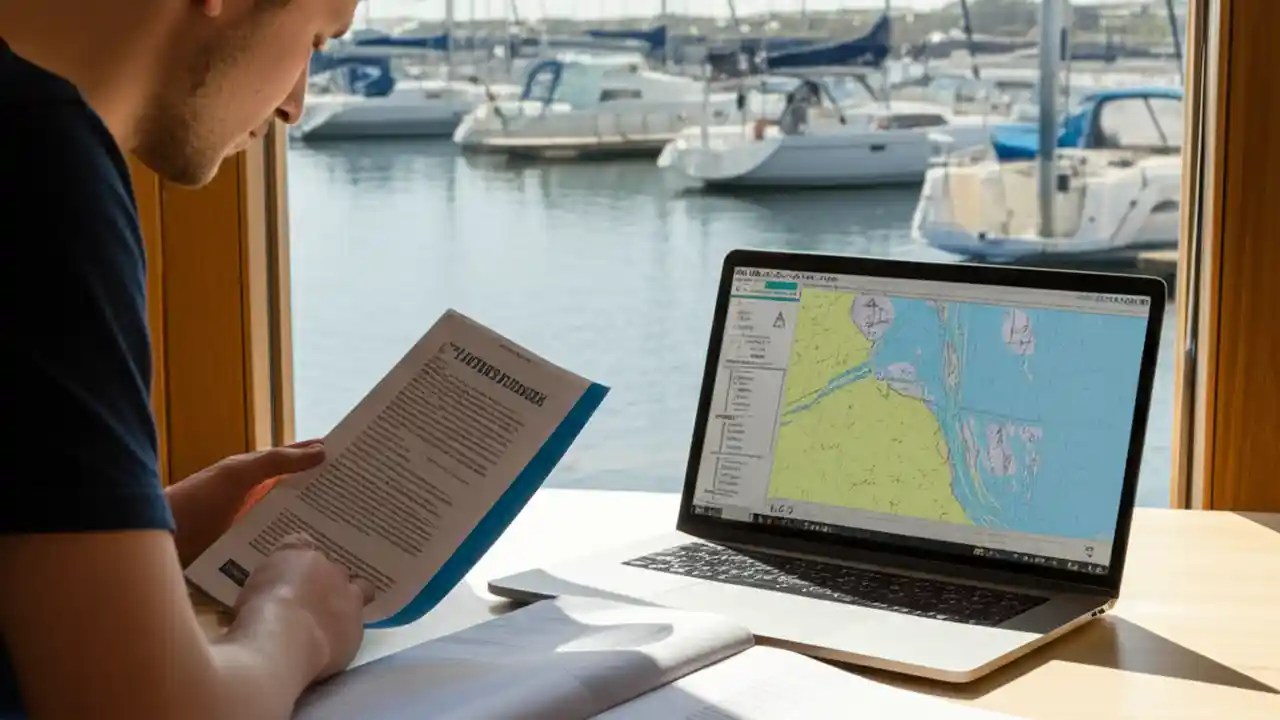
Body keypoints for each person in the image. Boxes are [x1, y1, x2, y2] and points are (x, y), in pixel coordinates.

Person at [0, 1, 371, 718]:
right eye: (316, 38)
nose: (296, 104)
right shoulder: (33, 157)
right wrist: (295, 621)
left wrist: (142, 531)